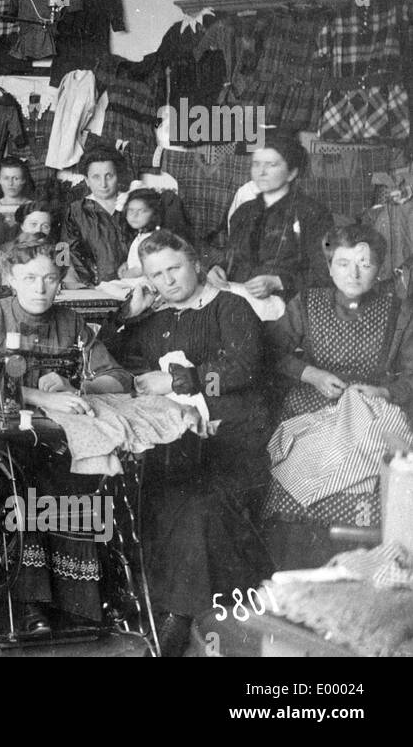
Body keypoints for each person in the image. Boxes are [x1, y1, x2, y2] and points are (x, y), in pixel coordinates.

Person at [108, 229, 274, 656]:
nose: (167, 281)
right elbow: (112, 367)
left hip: (230, 437)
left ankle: (177, 619)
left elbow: (242, 370)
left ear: (196, 263)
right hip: (172, 440)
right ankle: (164, 610)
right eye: (156, 274)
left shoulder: (229, 307)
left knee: (194, 502)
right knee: (155, 492)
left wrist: (182, 379)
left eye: (174, 268)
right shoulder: (155, 321)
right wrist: (127, 316)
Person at [0, 240, 134, 633]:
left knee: (80, 480)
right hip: (2, 439)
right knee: (21, 484)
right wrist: (38, 395)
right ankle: (31, 605)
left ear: (60, 283)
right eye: (30, 278)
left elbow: (117, 377)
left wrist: (76, 387)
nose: (40, 288)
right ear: (11, 280)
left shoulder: (71, 322)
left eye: (50, 279)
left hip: (58, 438)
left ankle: (78, 603)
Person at [263, 224, 413, 570]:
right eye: (343, 263)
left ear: (380, 269)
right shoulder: (307, 302)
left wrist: (384, 391)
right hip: (314, 406)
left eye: (365, 263)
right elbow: (269, 352)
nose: (354, 273)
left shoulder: (399, 310)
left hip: (373, 408)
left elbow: (412, 375)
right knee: (302, 474)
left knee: (379, 478)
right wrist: (311, 374)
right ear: (329, 266)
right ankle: (297, 582)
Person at [209, 131, 333, 301]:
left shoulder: (313, 214)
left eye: (271, 165)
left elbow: (326, 274)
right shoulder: (243, 212)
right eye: (256, 164)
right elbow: (233, 260)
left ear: (292, 173)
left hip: (288, 307)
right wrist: (218, 269)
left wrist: (279, 282)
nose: (261, 172)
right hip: (237, 302)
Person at [63, 147, 128, 286]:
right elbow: (62, 249)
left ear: (118, 176)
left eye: (109, 176)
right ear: (87, 180)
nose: (103, 184)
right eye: (96, 177)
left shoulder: (132, 205)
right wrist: (66, 278)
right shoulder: (76, 211)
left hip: (134, 283)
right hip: (93, 287)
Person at [0, 156, 37, 249]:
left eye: (16, 178)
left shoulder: (34, 208)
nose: (10, 183)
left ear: (24, 180)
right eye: (6, 178)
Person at [117, 188, 163, 279]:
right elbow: (138, 260)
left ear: (154, 214)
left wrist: (125, 275)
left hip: (144, 283)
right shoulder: (140, 235)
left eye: (141, 211)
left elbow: (142, 269)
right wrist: (127, 264)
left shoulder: (152, 239)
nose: (134, 215)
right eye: (131, 210)